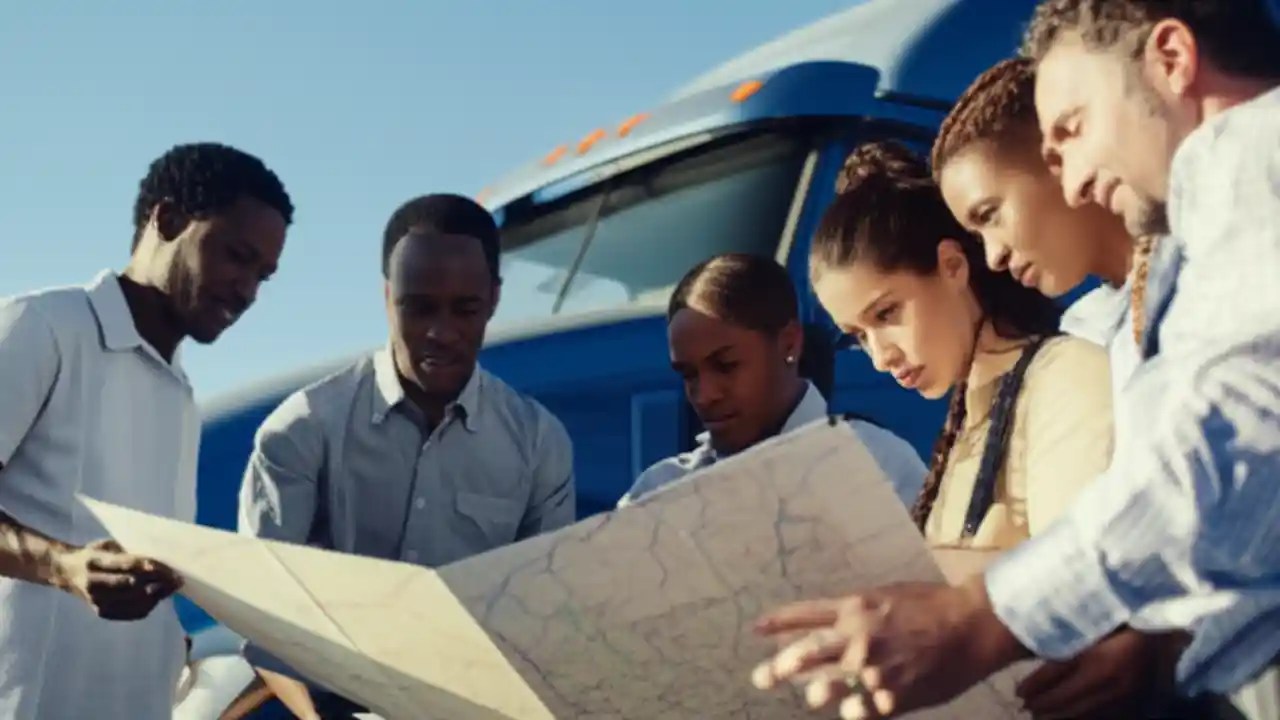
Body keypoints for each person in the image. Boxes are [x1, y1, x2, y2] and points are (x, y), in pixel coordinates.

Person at [751, 1, 1280, 718]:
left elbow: (1221, 454)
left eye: (1070, 128)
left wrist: (977, 620)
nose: (1069, 180)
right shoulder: (1198, 249)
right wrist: (1164, 640)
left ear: (1173, 61)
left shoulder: (1255, 156)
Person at [238, 193, 576, 719]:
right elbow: (263, 618)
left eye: (464, 309)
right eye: (418, 308)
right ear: (386, 296)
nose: (440, 332)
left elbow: (543, 624)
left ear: (494, 298)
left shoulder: (539, 444)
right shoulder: (301, 431)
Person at [932, 55, 1193, 717]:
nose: (992, 255)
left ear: (1057, 156)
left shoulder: (1209, 275)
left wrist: (1165, 643)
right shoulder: (1086, 326)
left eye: (991, 213)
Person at [0, 142, 293, 720]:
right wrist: (63, 567)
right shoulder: (41, 328)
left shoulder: (181, 396)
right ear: (168, 220)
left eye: (264, 275)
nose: (248, 290)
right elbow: (74, 562)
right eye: (236, 256)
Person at [617, 253, 926, 509]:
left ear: (789, 343)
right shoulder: (658, 494)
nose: (704, 394)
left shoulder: (875, 464)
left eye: (726, 366)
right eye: (688, 375)